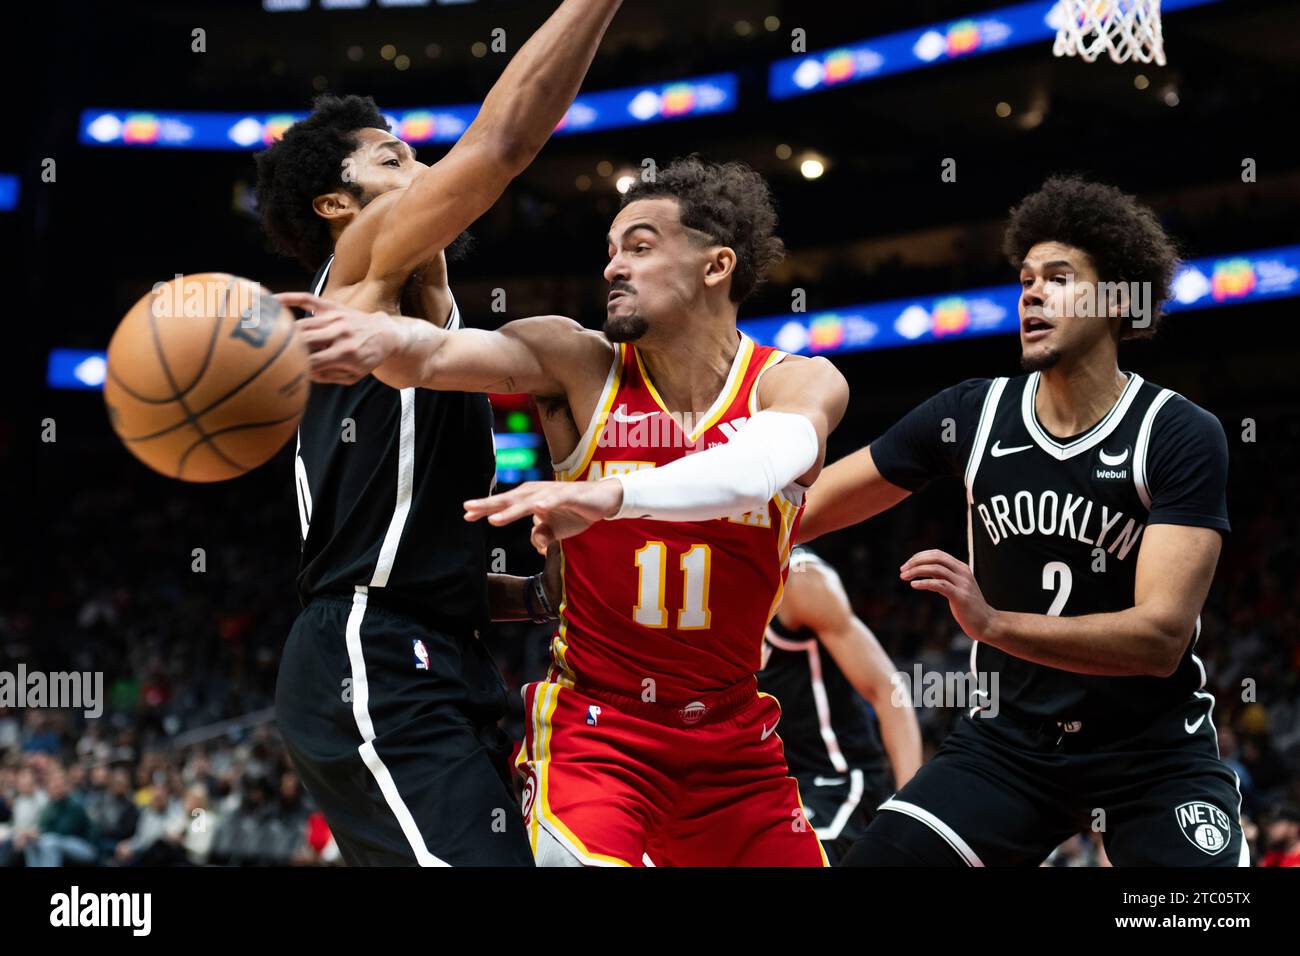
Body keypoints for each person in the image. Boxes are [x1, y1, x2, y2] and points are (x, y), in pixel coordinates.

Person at [278, 156, 849, 866]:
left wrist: (607, 494)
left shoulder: (796, 382)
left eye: (639, 247)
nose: (613, 267)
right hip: (597, 737)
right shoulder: (576, 363)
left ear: (716, 265)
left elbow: (756, 469)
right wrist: (389, 340)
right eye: (609, 251)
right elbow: (441, 353)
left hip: (737, 750)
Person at [254, 0, 621, 866]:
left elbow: (404, 546)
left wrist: (529, 596)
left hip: (437, 652)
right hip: (371, 654)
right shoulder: (359, 271)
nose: (423, 168)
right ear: (338, 204)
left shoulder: (424, 326)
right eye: (395, 157)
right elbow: (502, 146)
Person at [799, 176, 1246, 867]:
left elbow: (1160, 637)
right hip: (1010, 747)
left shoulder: (1178, 432)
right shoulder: (973, 414)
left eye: (1059, 278)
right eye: (1026, 279)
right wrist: (653, 512)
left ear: (1117, 299)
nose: (1032, 293)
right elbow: (804, 509)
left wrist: (995, 624)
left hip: (1150, 754)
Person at [758, 547, 922, 864]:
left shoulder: (800, 581)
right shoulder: (688, 593)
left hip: (834, 781)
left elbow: (887, 689)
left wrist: (911, 812)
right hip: (763, 785)